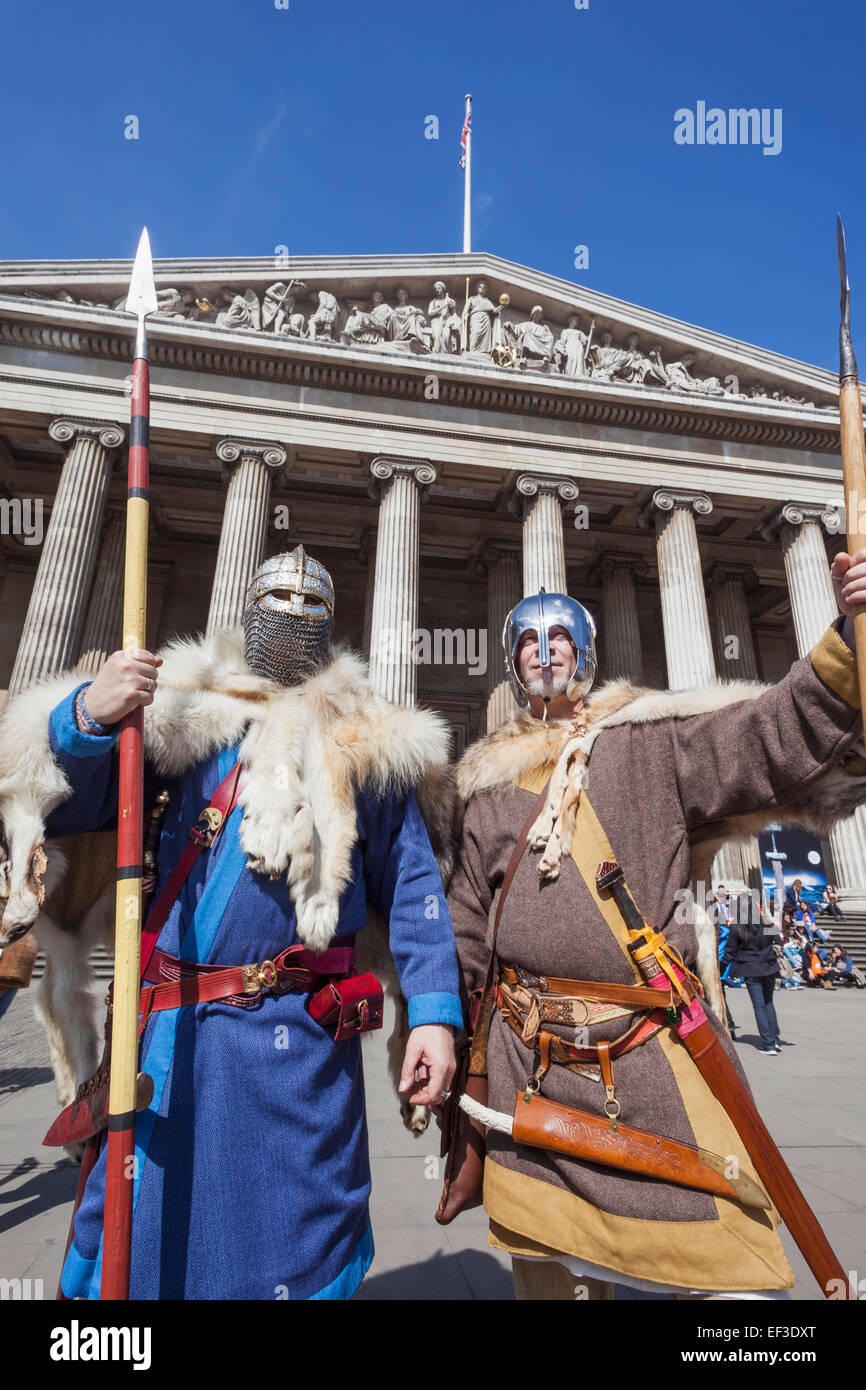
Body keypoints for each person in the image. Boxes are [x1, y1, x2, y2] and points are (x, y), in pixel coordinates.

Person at [3, 545, 461, 1300]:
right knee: (151, 1237)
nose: (291, 617)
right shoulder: (186, 719)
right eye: (276, 601)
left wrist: (435, 1015)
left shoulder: (368, 739)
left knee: (300, 1240)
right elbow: (77, 803)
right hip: (180, 1038)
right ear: (249, 612)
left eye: (309, 606)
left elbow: (414, 885)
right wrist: (92, 712)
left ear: (331, 625)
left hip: (301, 1047)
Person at [444, 545, 866, 1300]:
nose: (544, 654)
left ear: (588, 654)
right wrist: (441, 1032)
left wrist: (851, 633)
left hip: (648, 1054)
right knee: (551, 1279)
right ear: (513, 666)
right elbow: (467, 926)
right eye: (529, 643)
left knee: (731, 1270)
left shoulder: (652, 743)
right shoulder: (486, 790)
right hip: (529, 1064)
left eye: (559, 639)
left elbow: (768, 735)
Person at [720, 894, 782, 1054]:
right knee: (769, 1003)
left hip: (751, 969)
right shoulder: (764, 923)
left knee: (759, 1006)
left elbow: (730, 952)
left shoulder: (737, 926)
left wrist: (721, 968)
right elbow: (780, 941)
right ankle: (775, 1040)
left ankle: (768, 1044)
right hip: (768, 967)